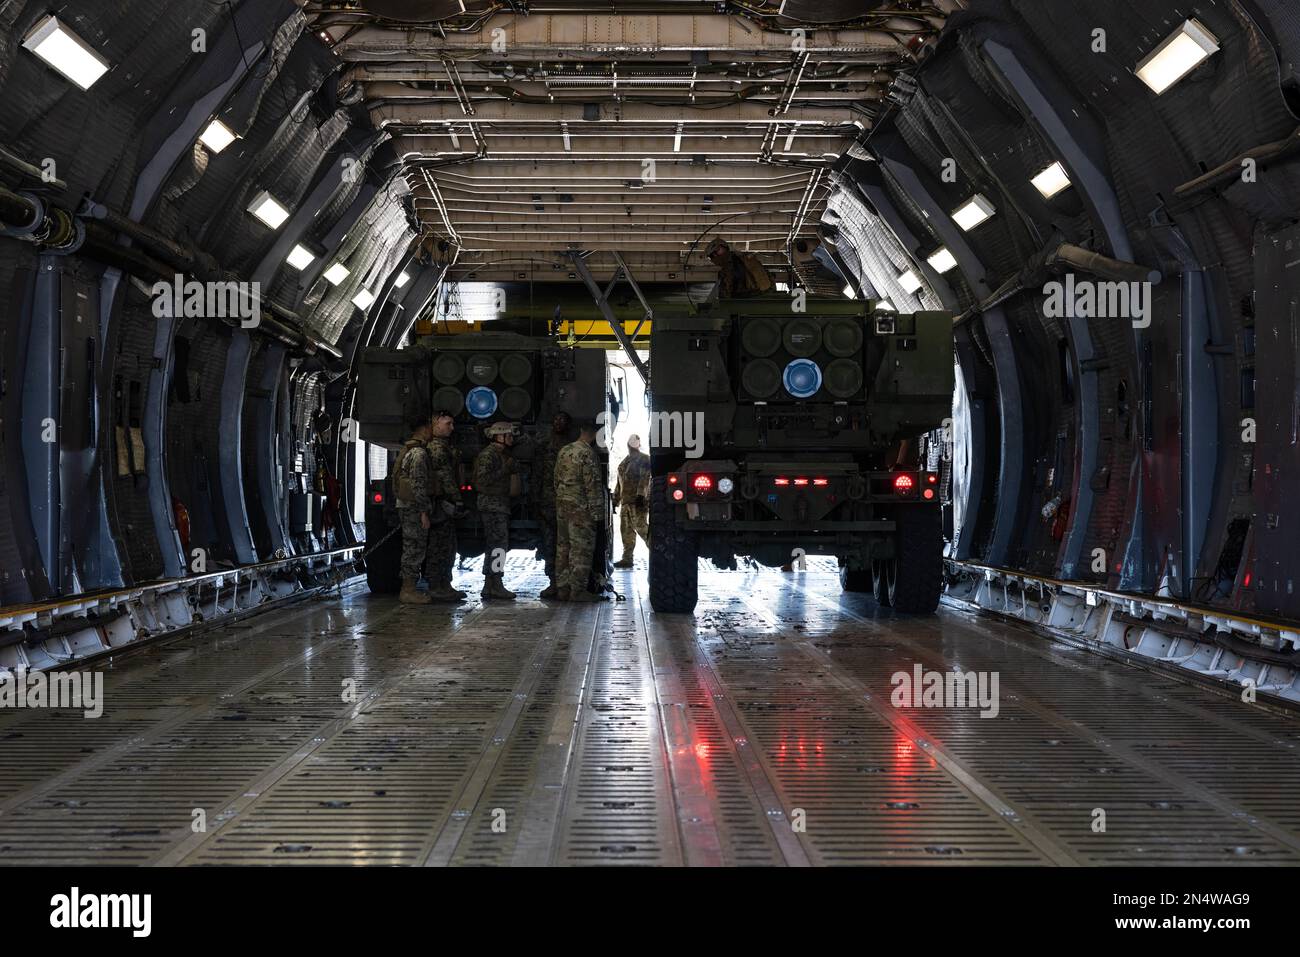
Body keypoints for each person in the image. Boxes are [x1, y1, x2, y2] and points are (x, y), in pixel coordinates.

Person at [553, 418, 604, 602]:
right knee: (581, 548)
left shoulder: (564, 450)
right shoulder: (587, 454)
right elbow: (592, 485)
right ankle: (578, 591)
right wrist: (597, 512)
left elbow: (556, 478)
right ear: (595, 434)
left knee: (563, 547)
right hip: (581, 509)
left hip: (562, 506)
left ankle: (562, 589)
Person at [473, 421, 519, 600]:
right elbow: (481, 481)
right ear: (500, 436)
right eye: (508, 435)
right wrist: (504, 470)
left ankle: (490, 585)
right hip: (492, 506)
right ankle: (496, 584)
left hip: (498, 505)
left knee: (495, 546)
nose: (511, 438)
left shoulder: (500, 454)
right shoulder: (489, 455)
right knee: (499, 547)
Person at [424, 410, 465, 601]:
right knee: (439, 546)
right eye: (448, 423)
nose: (452, 428)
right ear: (435, 424)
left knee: (447, 546)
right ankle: (436, 585)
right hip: (441, 504)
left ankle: (444, 584)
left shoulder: (444, 447)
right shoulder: (438, 449)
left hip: (442, 504)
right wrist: (457, 499)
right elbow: (446, 477)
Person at [394, 414, 436, 604]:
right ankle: (408, 590)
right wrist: (424, 511)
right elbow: (418, 484)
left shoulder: (410, 449)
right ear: (425, 429)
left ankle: (409, 588)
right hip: (414, 508)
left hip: (409, 506)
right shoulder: (419, 453)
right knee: (414, 548)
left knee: (413, 546)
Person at [535, 411, 571, 599]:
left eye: (562, 421)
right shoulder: (545, 445)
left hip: (566, 502)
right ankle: (553, 582)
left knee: (566, 544)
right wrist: (535, 498)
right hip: (547, 502)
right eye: (556, 419)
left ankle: (566, 582)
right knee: (549, 544)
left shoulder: (571, 447)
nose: (558, 423)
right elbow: (538, 472)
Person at [612, 434, 651, 568]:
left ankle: (658, 552)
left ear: (639, 444)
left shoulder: (644, 459)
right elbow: (619, 484)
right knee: (626, 531)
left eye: (635, 442)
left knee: (642, 528)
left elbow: (645, 478)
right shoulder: (624, 462)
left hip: (637, 501)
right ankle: (627, 559)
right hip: (626, 502)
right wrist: (615, 501)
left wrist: (641, 495)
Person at [706, 237, 775, 298]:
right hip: (755, 296)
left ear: (724, 247)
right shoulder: (732, 264)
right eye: (712, 255)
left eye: (717, 250)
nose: (716, 255)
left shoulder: (738, 261)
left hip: (754, 297)